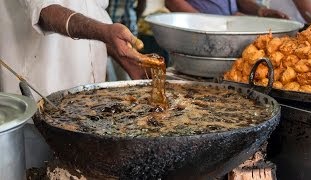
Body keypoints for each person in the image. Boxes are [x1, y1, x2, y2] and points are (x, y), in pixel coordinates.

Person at [0, 0, 146, 168]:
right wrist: (104, 32)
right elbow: (45, 12)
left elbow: (94, 13)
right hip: (39, 100)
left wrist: (125, 57)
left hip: (89, 108)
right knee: (38, 171)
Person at [165, 0, 289, 19]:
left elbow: (238, 1)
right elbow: (172, 2)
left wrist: (261, 10)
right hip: (195, 40)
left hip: (227, 38)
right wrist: (203, 23)